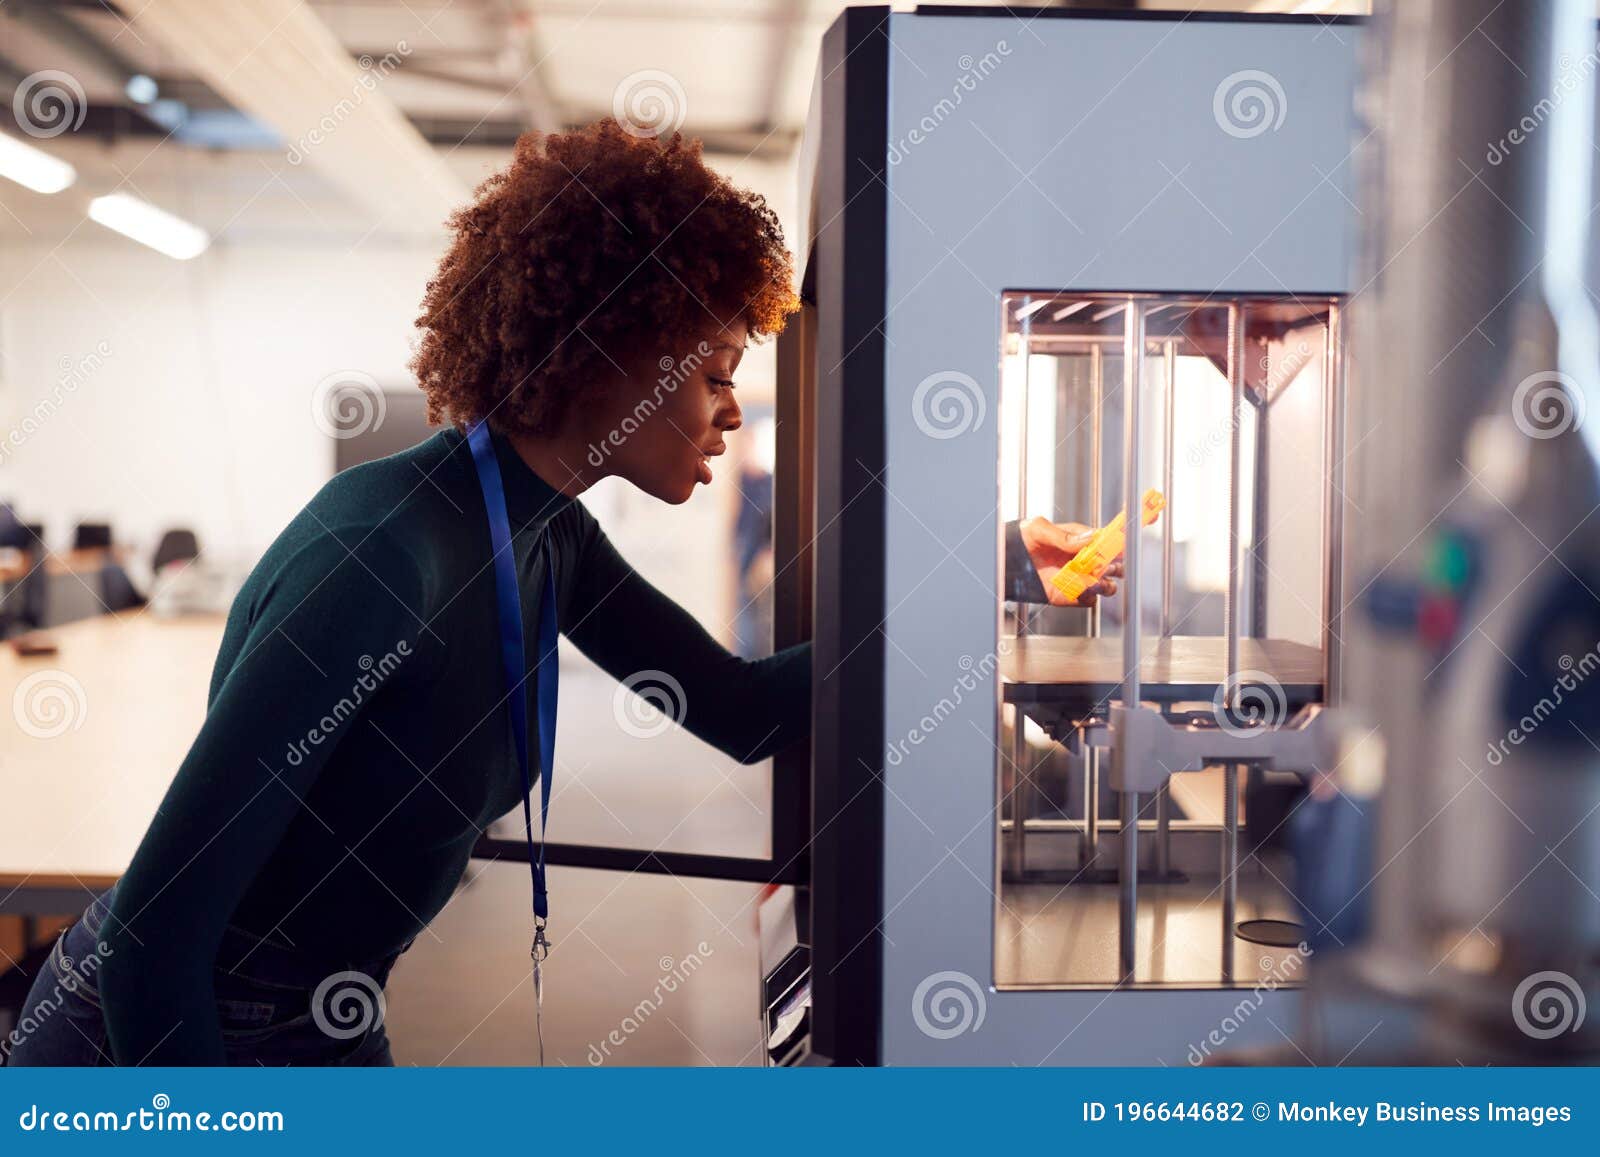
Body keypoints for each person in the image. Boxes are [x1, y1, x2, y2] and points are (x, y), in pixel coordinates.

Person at [6, 119, 1114, 1068]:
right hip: (158, 1031)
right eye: (718, 371)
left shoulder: (549, 535)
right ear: (608, 352)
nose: (735, 413)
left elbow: (737, 709)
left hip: (323, 1016)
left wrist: (992, 569)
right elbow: (156, 933)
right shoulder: (380, 555)